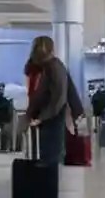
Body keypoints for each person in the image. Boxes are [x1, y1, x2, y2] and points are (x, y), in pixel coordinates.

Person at [24, 36, 70, 166]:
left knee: (51, 154)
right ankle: (44, 181)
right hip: (43, 115)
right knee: (45, 153)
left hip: (52, 116)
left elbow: (58, 98)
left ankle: (49, 182)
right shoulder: (38, 68)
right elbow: (35, 93)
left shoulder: (54, 68)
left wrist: (42, 117)